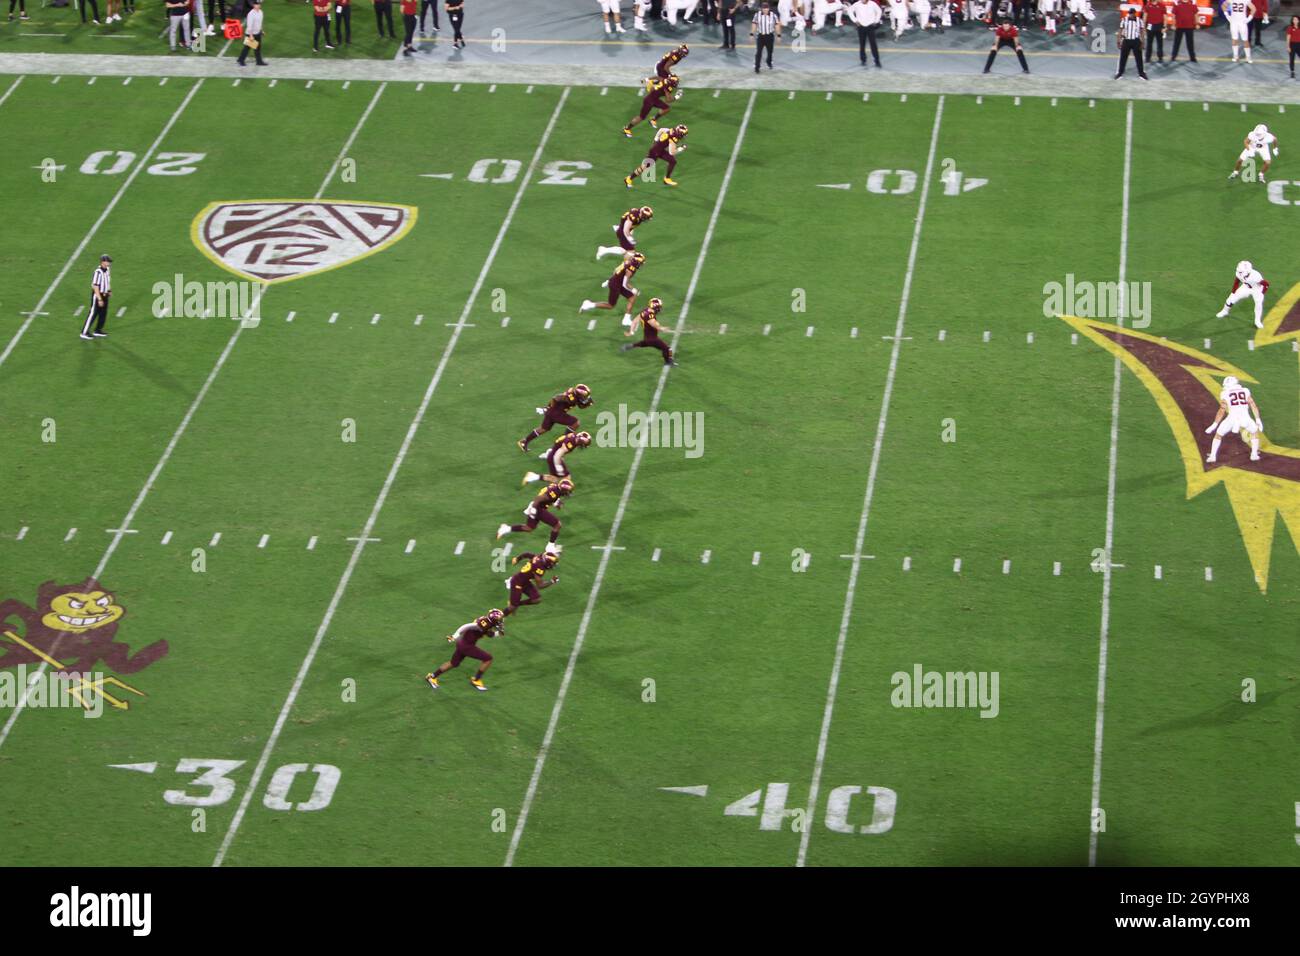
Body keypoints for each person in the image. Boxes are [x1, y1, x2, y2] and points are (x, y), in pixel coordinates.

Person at [425, 609, 504, 692]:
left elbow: (489, 634)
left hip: (462, 644)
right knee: (488, 658)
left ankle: (432, 677)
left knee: (453, 663)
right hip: (467, 646)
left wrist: (498, 633)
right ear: (493, 620)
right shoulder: (484, 623)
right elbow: (467, 626)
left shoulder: (487, 623)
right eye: (499, 620)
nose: (501, 621)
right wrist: (454, 636)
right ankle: (476, 680)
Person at [497, 478, 575, 547]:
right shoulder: (554, 493)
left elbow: (548, 496)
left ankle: (505, 529)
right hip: (537, 507)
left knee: (529, 528)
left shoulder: (556, 489)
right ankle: (550, 547)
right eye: (568, 491)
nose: (568, 493)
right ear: (563, 489)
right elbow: (539, 499)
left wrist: (555, 502)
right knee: (557, 525)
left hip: (536, 506)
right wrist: (534, 510)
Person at [1204, 376, 1263, 463]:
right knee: (1254, 432)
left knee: (1218, 435)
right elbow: (1253, 405)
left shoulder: (1225, 393)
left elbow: (1222, 410)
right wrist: (1258, 419)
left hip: (1232, 419)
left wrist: (1214, 424)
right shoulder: (1245, 391)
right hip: (1245, 418)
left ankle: (1213, 456)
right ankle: (1254, 455)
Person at [518, 385, 593, 451]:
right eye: (583, 396)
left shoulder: (574, 396)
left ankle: (524, 441)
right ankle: (565, 440)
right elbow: (556, 398)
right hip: (556, 413)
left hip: (553, 412)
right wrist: (548, 407)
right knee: (575, 423)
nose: (584, 397)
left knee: (543, 429)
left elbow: (580, 405)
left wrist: (586, 403)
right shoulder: (570, 397)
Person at [1215, 259, 1269, 328]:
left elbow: (1266, 284)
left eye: (1241, 272)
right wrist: (1233, 292)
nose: (1239, 273)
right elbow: (1237, 281)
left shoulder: (1255, 276)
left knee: (1258, 303)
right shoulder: (1239, 273)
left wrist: (1262, 293)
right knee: (1231, 299)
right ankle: (1225, 311)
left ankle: (1257, 321)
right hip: (1246, 287)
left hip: (1257, 289)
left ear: (1248, 271)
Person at [621, 298, 675, 366]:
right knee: (667, 349)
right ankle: (668, 362)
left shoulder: (644, 311)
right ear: (655, 306)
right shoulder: (650, 315)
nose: (660, 309)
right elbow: (654, 324)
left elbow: (634, 321)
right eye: (659, 307)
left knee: (645, 343)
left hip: (647, 337)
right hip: (653, 339)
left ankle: (631, 346)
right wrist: (662, 328)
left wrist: (631, 332)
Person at [81, 254, 112, 340]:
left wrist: (109, 290)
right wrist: (99, 299)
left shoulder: (107, 269)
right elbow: (95, 286)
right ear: (103, 262)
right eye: (108, 261)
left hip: (105, 294)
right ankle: (84, 332)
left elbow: (108, 281)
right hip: (98, 295)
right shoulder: (98, 272)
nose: (109, 263)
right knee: (93, 313)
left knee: (103, 313)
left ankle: (98, 330)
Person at [1115, 6, 1148, 78]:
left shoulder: (1140, 21)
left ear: (1134, 14)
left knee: (1139, 58)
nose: (1130, 15)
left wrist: (1143, 42)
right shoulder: (1124, 20)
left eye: (1132, 13)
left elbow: (1142, 32)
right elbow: (1120, 30)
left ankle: (1141, 73)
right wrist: (1118, 41)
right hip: (1126, 40)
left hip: (1136, 41)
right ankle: (1120, 73)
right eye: (1129, 13)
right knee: (1123, 57)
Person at [848, 0, 881, 66]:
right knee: (862, 44)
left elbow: (879, 11)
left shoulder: (872, 4)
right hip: (861, 26)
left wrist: (876, 21)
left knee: (873, 44)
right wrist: (855, 21)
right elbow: (849, 11)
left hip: (870, 26)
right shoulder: (857, 4)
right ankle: (863, 60)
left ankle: (877, 60)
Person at [751, 0, 779, 72]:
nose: (765, 10)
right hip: (761, 36)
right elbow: (754, 24)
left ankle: (769, 62)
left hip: (769, 36)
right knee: (758, 52)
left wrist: (778, 35)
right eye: (764, 8)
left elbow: (777, 25)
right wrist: (752, 34)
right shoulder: (757, 15)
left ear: (769, 8)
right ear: (761, 9)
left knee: (770, 51)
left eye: (766, 8)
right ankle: (757, 67)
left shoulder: (773, 15)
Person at [236, 0, 266, 64]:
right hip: (251, 34)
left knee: (257, 48)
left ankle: (259, 61)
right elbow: (249, 26)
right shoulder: (251, 14)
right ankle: (241, 60)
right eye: (256, 4)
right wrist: (251, 36)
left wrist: (261, 30)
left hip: (257, 33)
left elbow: (259, 23)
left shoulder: (261, 12)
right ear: (253, 5)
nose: (258, 6)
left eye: (259, 4)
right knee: (247, 48)